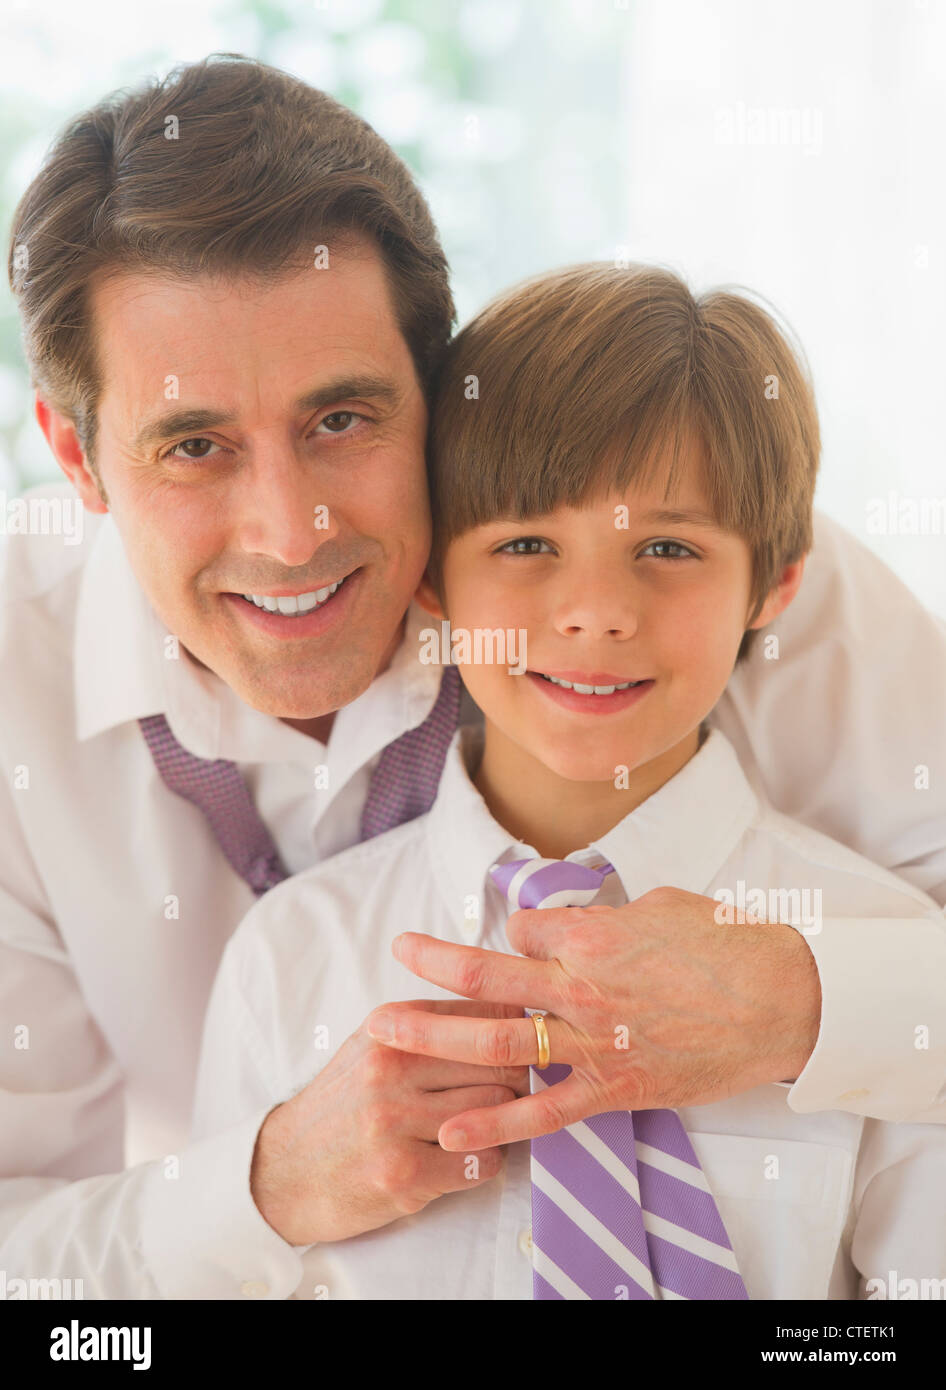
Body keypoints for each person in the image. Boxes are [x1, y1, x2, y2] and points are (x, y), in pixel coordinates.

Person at [1, 55, 944, 1301]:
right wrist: (270, 1186)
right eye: (193, 445)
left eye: (343, 419)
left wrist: (810, 996)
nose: (291, 531)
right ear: (77, 453)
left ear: (438, 402)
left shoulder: (755, 590)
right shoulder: (24, 691)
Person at [193, 264, 946, 1300]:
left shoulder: (875, 959)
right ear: (431, 578)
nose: (596, 611)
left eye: (669, 546)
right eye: (527, 543)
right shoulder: (292, 958)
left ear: (774, 582)